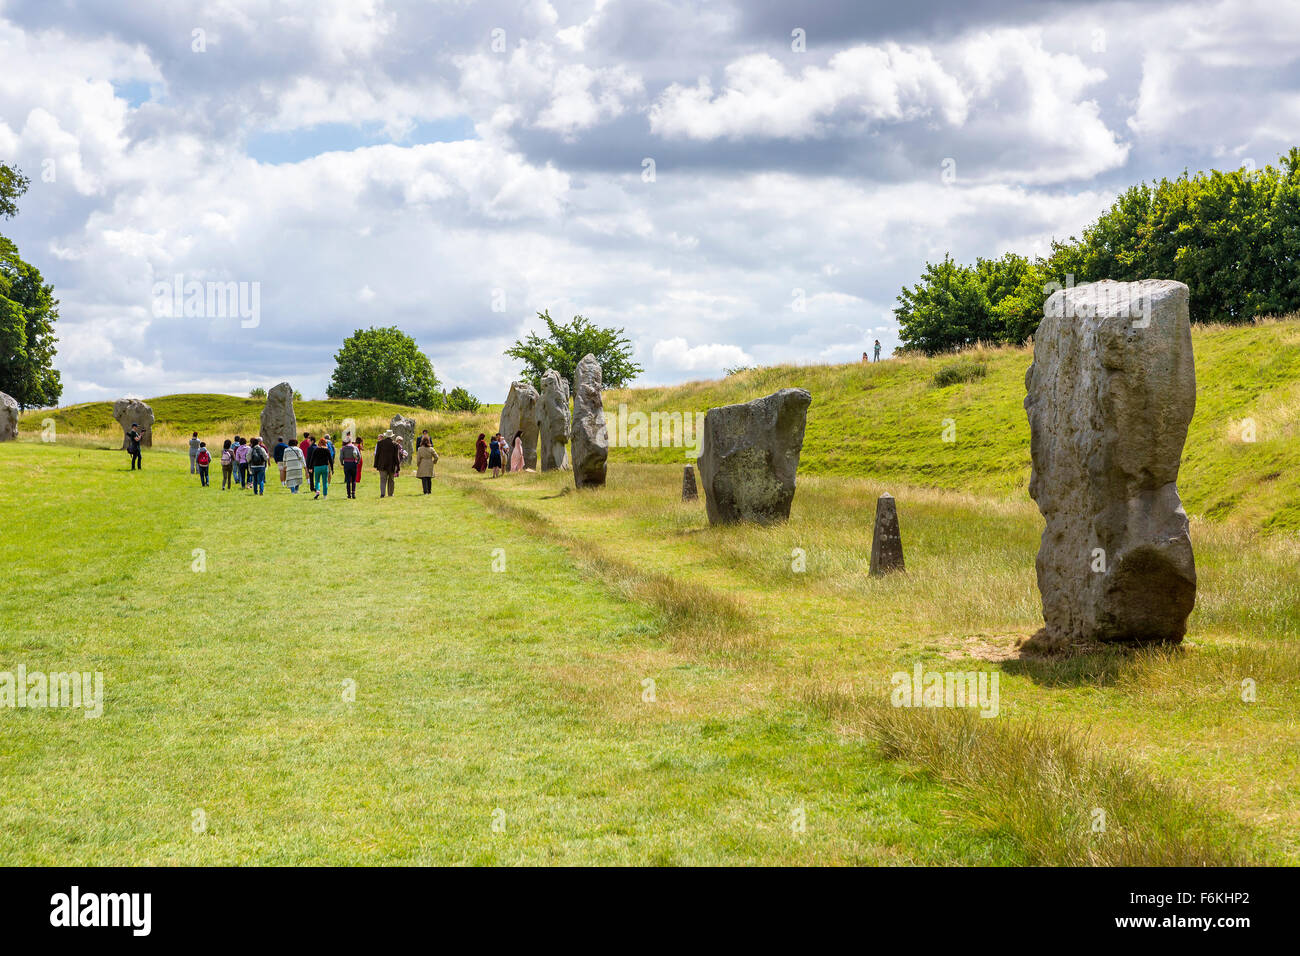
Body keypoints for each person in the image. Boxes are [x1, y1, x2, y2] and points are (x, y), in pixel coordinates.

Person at [373, 430, 399, 498]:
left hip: (382, 464)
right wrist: (398, 466)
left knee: (382, 480)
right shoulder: (395, 444)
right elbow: (396, 457)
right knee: (391, 480)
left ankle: (382, 493)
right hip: (392, 465)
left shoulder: (380, 443)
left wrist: (376, 464)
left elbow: (377, 455)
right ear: (391, 436)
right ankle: (390, 493)